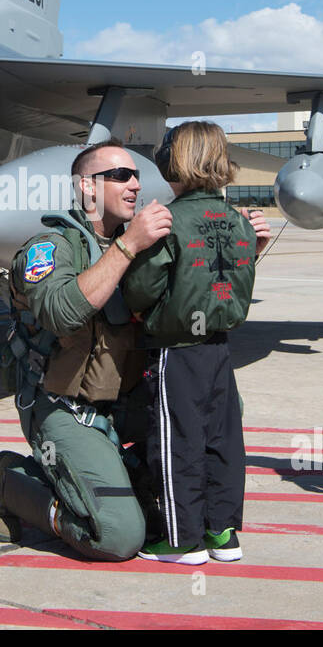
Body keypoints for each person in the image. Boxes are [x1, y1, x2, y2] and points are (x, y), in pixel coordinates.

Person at [0, 139, 172, 561]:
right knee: (118, 536)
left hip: (123, 403)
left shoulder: (139, 247)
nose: (135, 184)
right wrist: (127, 246)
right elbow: (60, 314)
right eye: (120, 175)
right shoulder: (49, 248)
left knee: (212, 408)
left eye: (136, 175)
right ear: (87, 187)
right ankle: (12, 482)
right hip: (65, 408)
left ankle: (124, 479)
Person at [122, 122, 271, 564]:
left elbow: (141, 291)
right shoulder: (237, 221)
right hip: (220, 349)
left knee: (177, 442)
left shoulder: (168, 222)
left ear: (175, 161)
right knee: (222, 439)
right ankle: (222, 533)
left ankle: (181, 539)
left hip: (176, 351)